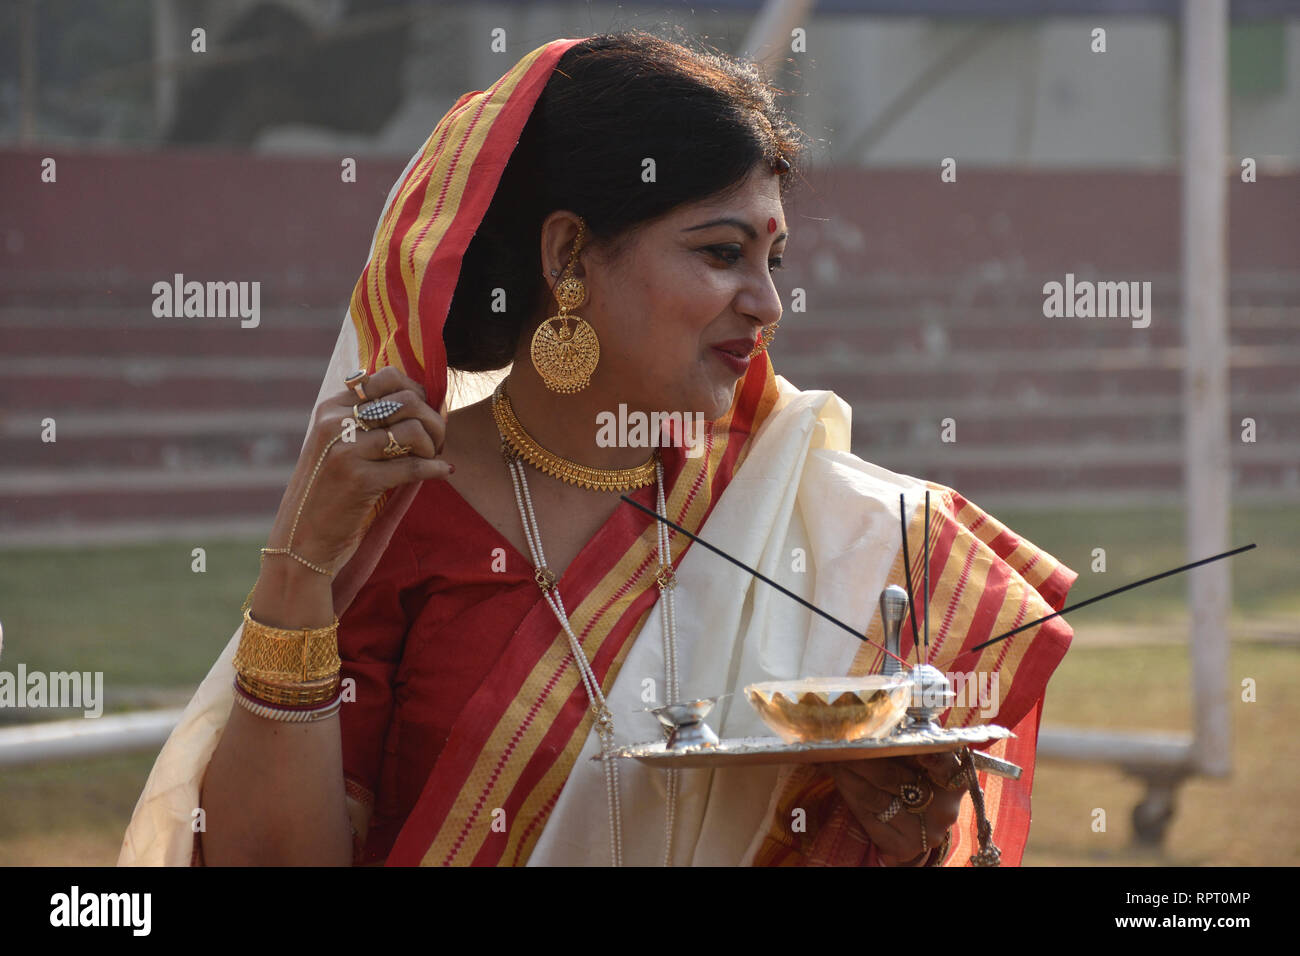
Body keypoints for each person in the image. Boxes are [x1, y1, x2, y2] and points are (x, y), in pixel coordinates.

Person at [119, 32, 1075, 867]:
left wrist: (898, 829)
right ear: (569, 254)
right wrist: (298, 575)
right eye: (721, 253)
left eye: (773, 259)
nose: (768, 303)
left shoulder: (821, 523)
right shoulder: (400, 515)